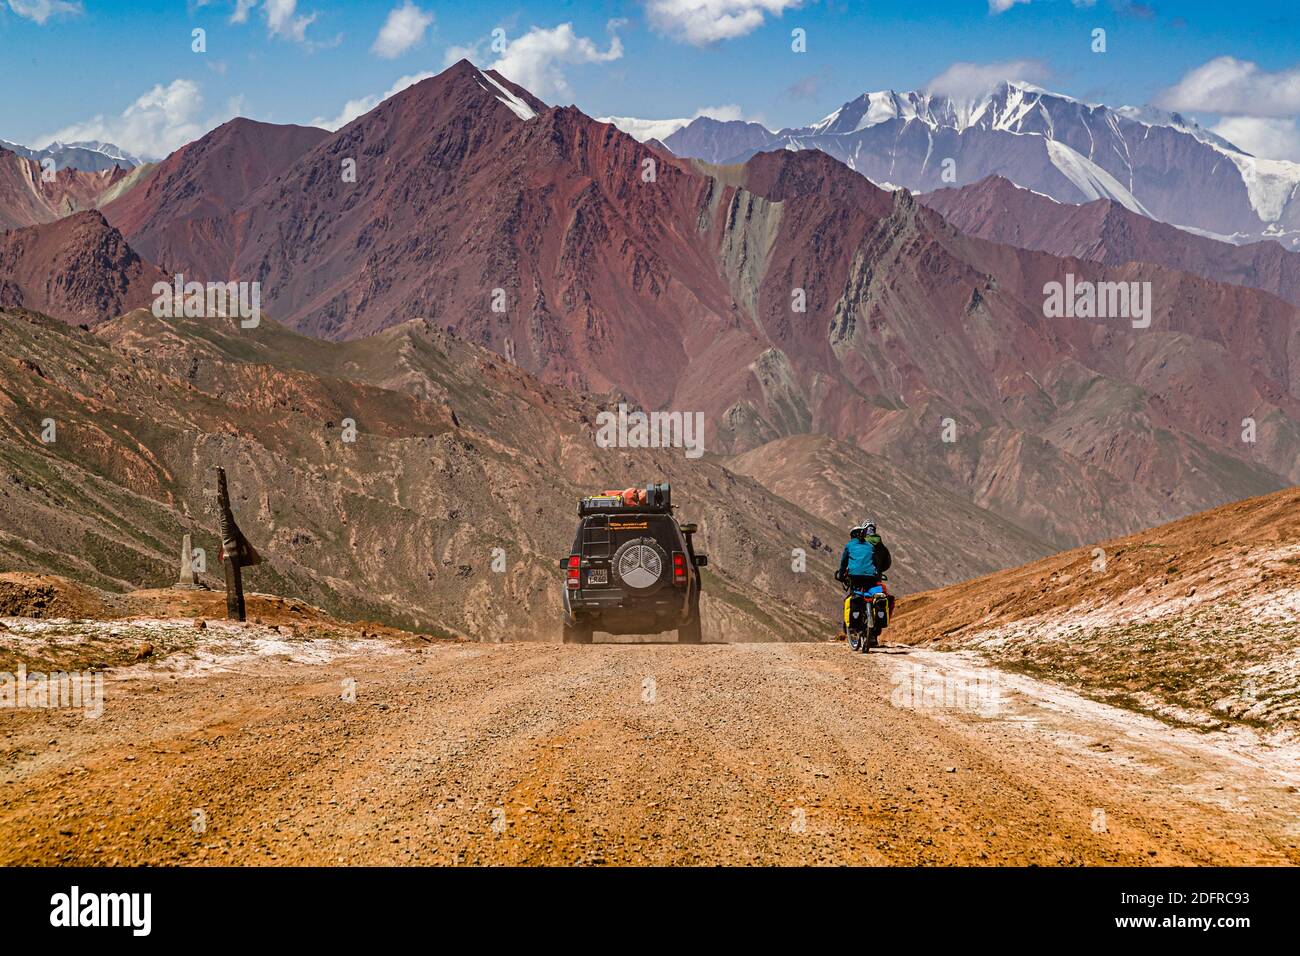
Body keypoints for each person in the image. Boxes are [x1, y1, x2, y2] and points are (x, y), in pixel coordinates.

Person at [835, 520, 891, 592]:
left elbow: (844, 561)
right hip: (874, 576)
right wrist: (878, 570)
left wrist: (842, 574)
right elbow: (887, 564)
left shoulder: (859, 543)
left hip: (855, 575)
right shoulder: (882, 546)